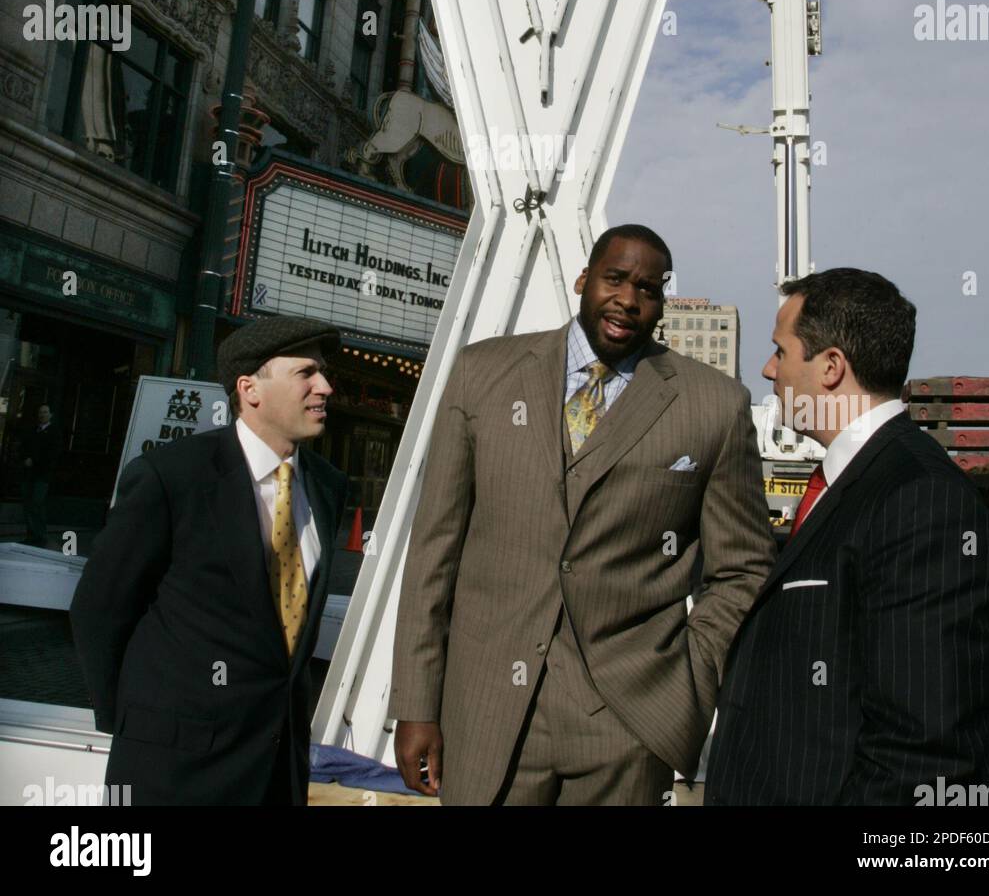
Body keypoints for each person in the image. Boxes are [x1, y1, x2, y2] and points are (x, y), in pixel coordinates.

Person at [391, 224, 775, 806]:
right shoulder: (482, 374)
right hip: (486, 713)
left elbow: (743, 570)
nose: (628, 299)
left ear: (661, 302)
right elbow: (433, 553)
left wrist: (687, 676)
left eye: (648, 288)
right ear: (583, 279)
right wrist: (418, 704)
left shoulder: (715, 406)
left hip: (627, 723)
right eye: (615, 278)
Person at [704, 268, 989, 806]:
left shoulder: (920, 499)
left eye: (781, 351)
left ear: (830, 367)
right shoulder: (849, 481)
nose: (768, 369)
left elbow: (928, 755)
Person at [70, 316, 347, 806]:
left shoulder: (326, 487)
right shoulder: (172, 476)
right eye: (306, 372)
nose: (324, 386)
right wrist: (142, 727)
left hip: (277, 775)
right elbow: (100, 609)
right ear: (250, 389)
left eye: (324, 372)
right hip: (174, 773)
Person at [19, 403, 61, 547]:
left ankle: (40, 535)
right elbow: (23, 447)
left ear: (51, 415)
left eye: (45, 412)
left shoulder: (54, 432)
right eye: (40, 412)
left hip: (42, 475)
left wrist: (34, 460)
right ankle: (31, 535)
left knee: (37, 504)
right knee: (27, 504)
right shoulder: (32, 431)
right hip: (28, 474)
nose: (42, 415)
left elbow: (52, 454)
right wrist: (25, 459)